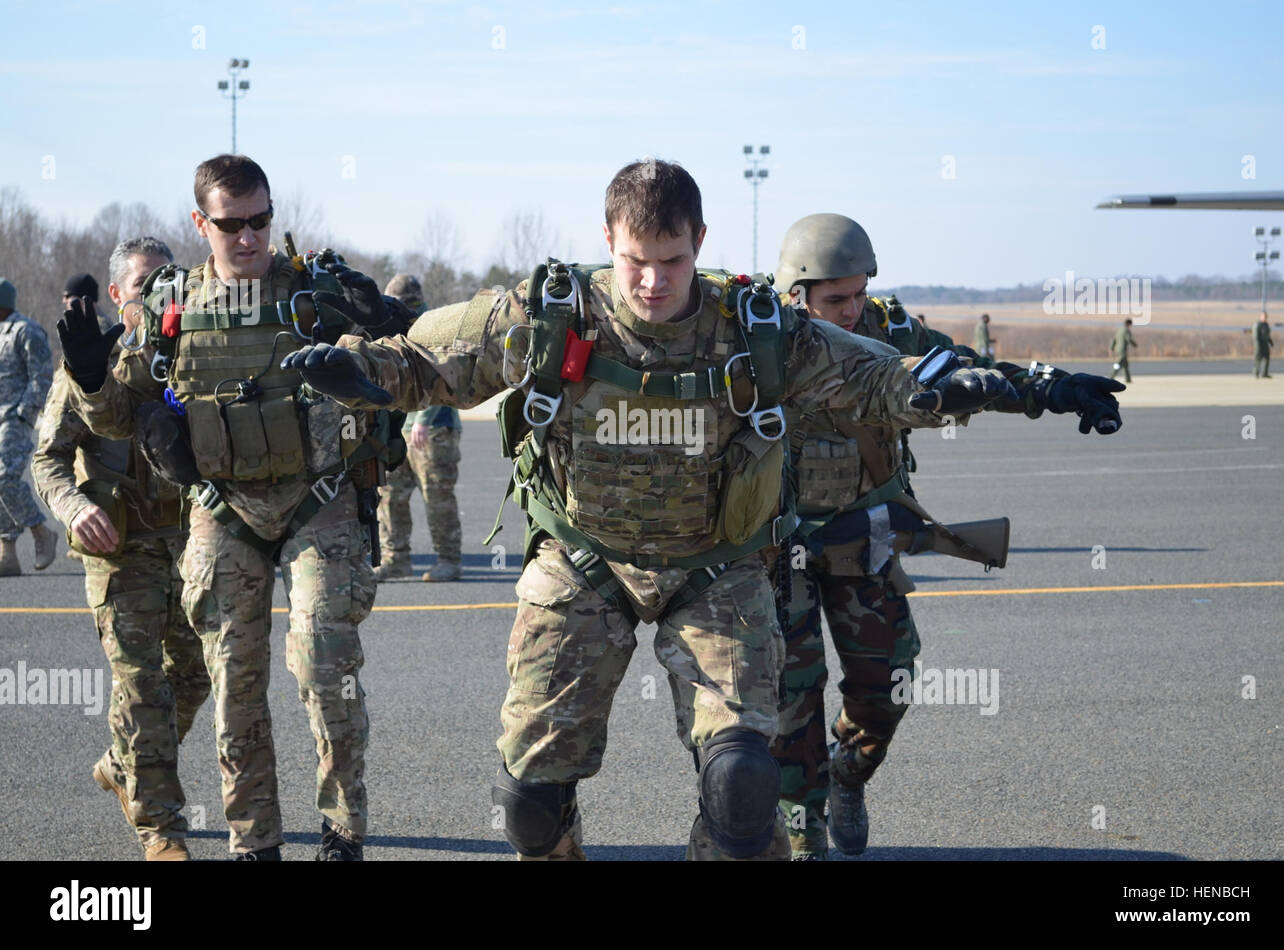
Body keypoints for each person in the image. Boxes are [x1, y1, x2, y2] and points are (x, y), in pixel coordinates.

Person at [282, 160, 1017, 861]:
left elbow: (875, 377)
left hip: (716, 567)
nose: (653, 280)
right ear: (608, 240)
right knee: (529, 804)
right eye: (637, 259)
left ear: (699, 241)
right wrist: (358, 370)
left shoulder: (754, 326)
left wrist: (980, 390)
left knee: (743, 791)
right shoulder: (551, 314)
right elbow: (425, 362)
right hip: (583, 559)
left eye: (672, 260)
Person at [57, 154, 408, 860]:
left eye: (260, 221)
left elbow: (402, 369)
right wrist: (92, 376)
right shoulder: (169, 306)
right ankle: (254, 842)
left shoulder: (313, 293)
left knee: (321, 660)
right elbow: (119, 414)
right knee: (234, 679)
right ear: (201, 223)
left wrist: (385, 326)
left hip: (318, 499)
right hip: (225, 506)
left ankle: (343, 830)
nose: (249, 238)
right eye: (231, 224)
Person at [769, 213, 1125, 859]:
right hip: (775, 551)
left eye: (857, 293)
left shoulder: (889, 329)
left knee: (888, 689)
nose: (850, 311)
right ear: (797, 295)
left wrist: (1055, 390)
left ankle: (846, 774)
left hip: (863, 539)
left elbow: (971, 374)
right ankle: (803, 826)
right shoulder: (762, 339)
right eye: (834, 299)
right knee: (790, 702)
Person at [32, 237, 210, 860]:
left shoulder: (194, 357)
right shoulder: (89, 365)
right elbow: (46, 460)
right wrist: (75, 509)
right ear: (116, 296)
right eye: (144, 288)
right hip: (120, 546)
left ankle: (120, 762)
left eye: (171, 284)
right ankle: (160, 828)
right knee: (142, 687)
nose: (161, 297)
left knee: (193, 677)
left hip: (188, 542)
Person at [374, 273, 463, 582]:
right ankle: (396, 559)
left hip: (434, 427)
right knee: (390, 495)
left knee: (437, 495)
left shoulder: (433, 328)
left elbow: (445, 375)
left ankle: (449, 559)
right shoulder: (396, 329)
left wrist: (423, 419)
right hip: (401, 428)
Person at [0, 276, 57, 576]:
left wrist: (24, 413)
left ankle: (41, 532)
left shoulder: (26, 331)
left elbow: (42, 376)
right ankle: (7, 554)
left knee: (5, 479)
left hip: (14, 418)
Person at [1253, 312, 1273, 378]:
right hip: (1259, 345)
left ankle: (1264, 373)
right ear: (1260, 317)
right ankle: (1256, 373)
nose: (1265, 318)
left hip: (1265, 345)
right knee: (1258, 359)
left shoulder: (1266, 325)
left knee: (1267, 359)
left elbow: (1267, 335)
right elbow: (1256, 337)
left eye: (1266, 317)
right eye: (1263, 316)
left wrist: (1270, 342)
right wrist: (1258, 346)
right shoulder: (1257, 324)